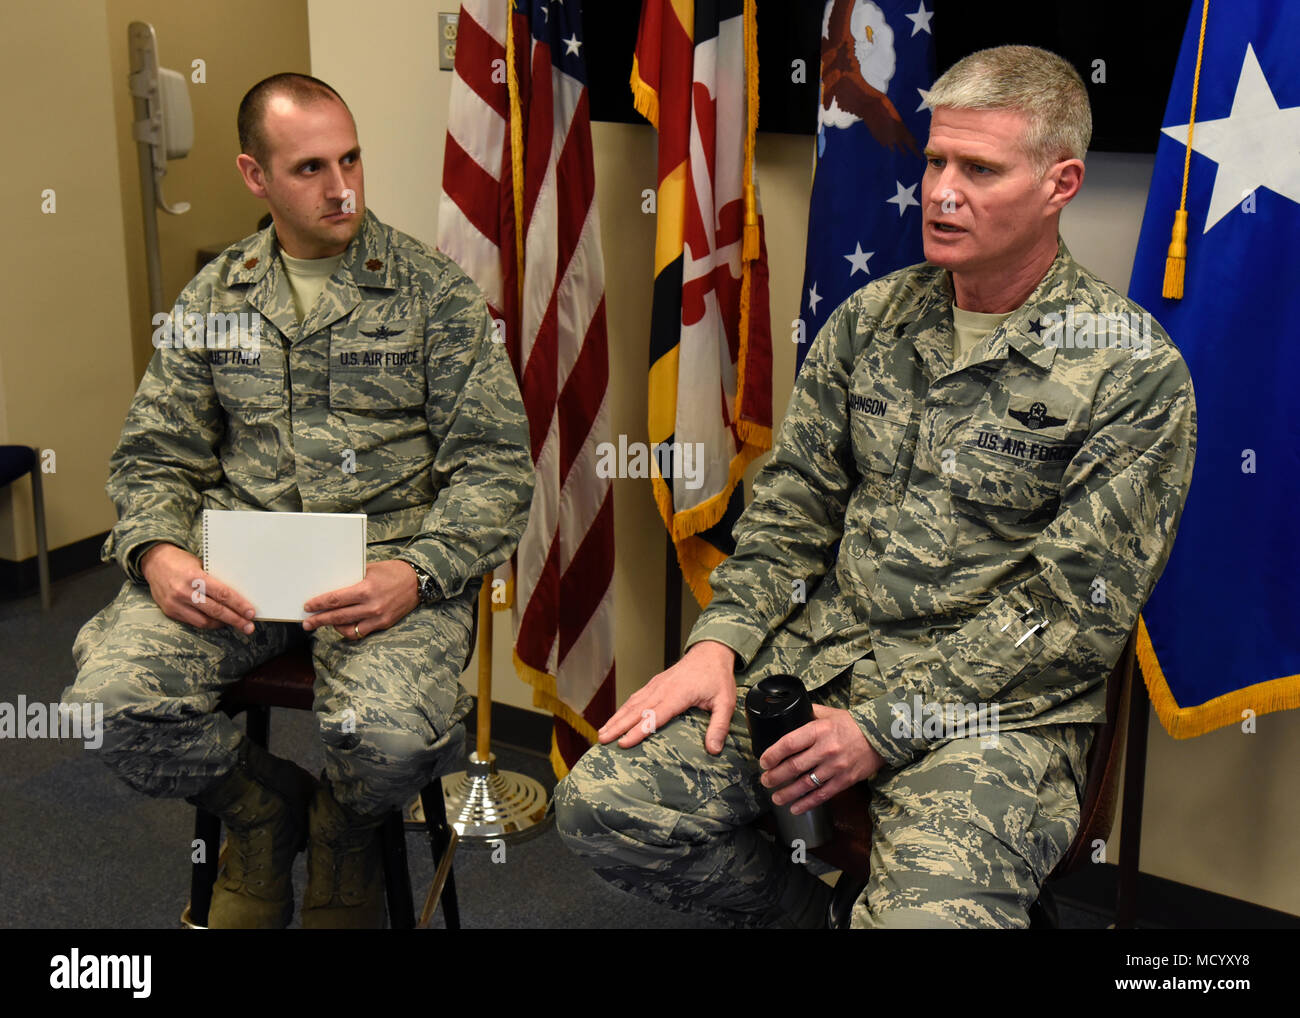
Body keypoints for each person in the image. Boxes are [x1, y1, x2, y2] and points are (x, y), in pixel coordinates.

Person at [556, 45, 1197, 929]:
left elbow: (1069, 614)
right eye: (936, 159)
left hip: (996, 718)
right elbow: (792, 515)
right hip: (825, 658)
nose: (941, 190)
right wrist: (720, 645)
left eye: (980, 168)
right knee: (603, 806)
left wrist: (885, 725)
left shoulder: (1132, 369)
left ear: (1061, 183)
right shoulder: (871, 322)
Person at [61, 73, 533, 929]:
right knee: (106, 710)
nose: (342, 185)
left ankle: (348, 832)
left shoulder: (436, 298)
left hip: (384, 578)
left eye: (350, 157)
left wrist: (416, 572)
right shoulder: (214, 299)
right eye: (311, 166)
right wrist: (158, 554)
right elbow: (152, 458)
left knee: (390, 744)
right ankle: (264, 811)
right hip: (234, 574)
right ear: (255, 176)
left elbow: (497, 472)